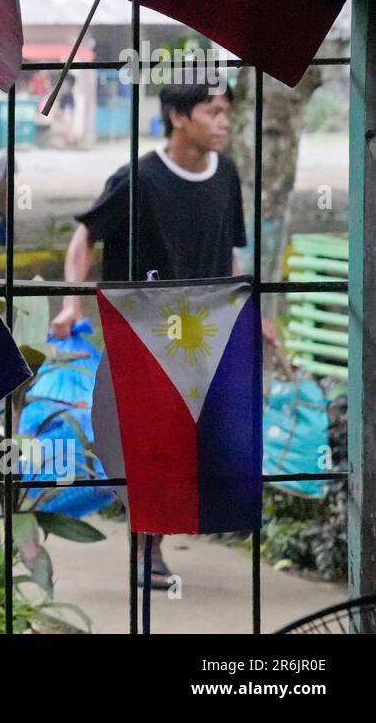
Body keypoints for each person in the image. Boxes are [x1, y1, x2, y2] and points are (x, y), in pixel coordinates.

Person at [49, 80, 249, 586]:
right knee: (151, 442)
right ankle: (146, 549)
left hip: (204, 331)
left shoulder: (226, 174)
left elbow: (228, 252)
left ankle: (163, 536)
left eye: (226, 112)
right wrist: (72, 304)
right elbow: (82, 241)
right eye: (213, 111)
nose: (223, 122)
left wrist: (246, 313)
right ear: (179, 117)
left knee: (192, 439)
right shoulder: (137, 178)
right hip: (143, 330)